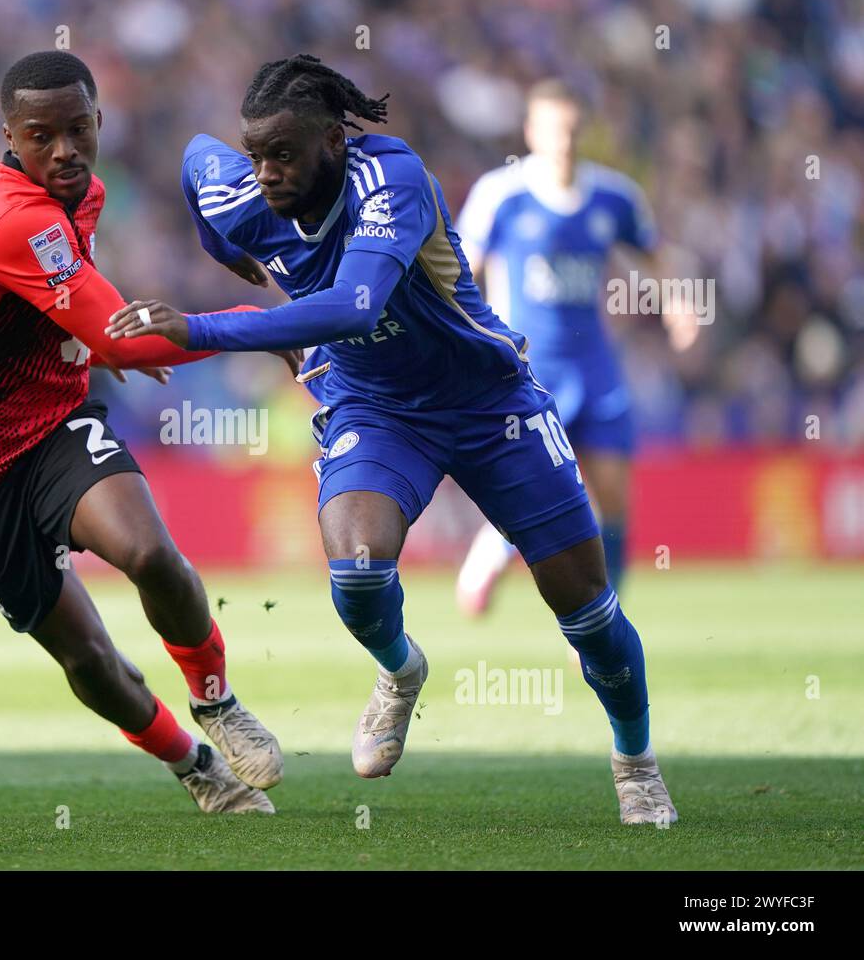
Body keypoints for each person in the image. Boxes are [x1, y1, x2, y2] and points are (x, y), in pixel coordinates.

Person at [107, 55, 677, 825]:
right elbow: (193, 165)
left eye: (284, 155)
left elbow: (353, 302)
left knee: (585, 607)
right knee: (358, 570)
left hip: (487, 401)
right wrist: (228, 255)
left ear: (335, 145)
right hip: (374, 405)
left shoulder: (392, 180)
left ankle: (635, 762)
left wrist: (203, 325)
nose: (267, 173)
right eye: (258, 155)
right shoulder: (240, 189)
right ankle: (400, 671)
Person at [0, 51, 294, 814]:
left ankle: (216, 699)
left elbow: (101, 326)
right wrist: (267, 327)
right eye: (42, 136)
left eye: (79, 130)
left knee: (150, 554)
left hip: (51, 423)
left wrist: (109, 340)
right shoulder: (12, 219)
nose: (65, 151)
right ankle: (195, 765)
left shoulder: (84, 193)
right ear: (9, 136)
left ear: (99, 122)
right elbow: (125, 341)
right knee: (89, 657)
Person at [454, 79, 695, 615]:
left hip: (594, 365)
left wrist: (676, 305)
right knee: (536, 489)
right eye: (553, 129)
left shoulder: (614, 196)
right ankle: (491, 551)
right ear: (531, 132)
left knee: (611, 493)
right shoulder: (503, 195)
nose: (563, 140)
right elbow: (461, 269)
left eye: (571, 129)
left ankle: (603, 615)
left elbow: (651, 255)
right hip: (527, 367)